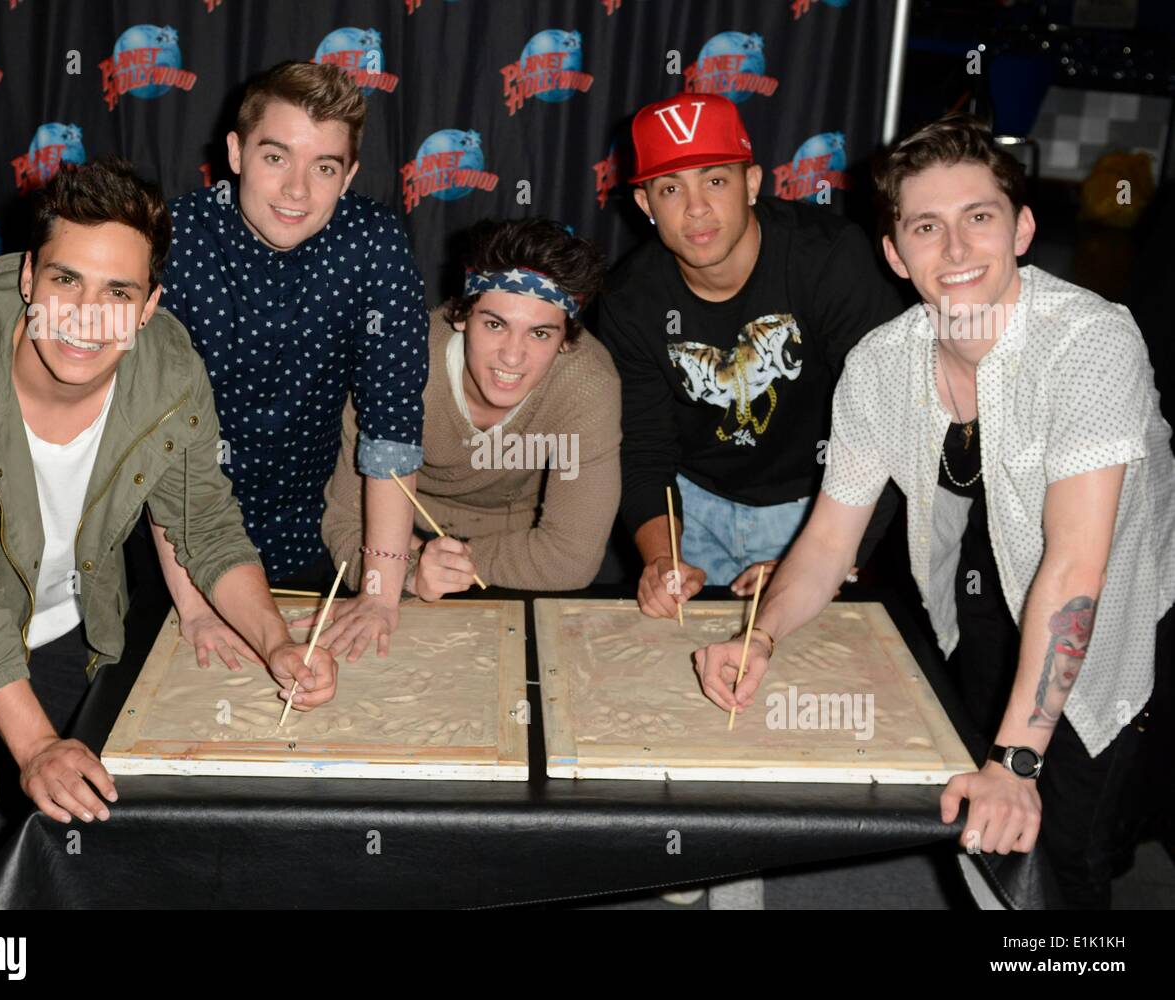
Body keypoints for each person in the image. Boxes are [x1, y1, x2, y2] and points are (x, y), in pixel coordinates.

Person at [692, 113, 1175, 908]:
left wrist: (1019, 763)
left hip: (1115, 596)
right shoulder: (879, 365)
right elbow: (825, 543)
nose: (954, 251)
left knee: (1066, 842)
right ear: (893, 252)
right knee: (978, 809)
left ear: (1021, 229)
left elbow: (1076, 566)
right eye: (925, 227)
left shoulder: (1091, 342)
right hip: (984, 575)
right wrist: (762, 637)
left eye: (977, 218)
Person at [0, 158, 335, 908]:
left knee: (74, 849)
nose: (86, 318)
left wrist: (276, 640)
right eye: (67, 282)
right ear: (30, 278)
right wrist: (33, 745)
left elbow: (207, 526)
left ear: (149, 303)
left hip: (70, 626)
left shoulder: (170, 370)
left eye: (117, 292)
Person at [156, 61, 427, 664]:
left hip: (314, 542)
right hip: (171, 543)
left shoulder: (375, 243)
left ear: (349, 174)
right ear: (235, 152)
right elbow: (157, 439)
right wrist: (195, 606)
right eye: (276, 157)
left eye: (324, 167)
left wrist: (381, 594)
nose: (297, 190)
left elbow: (392, 426)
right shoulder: (172, 240)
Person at [599, 92, 901, 621]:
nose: (696, 208)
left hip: (820, 506)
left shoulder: (831, 260)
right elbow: (644, 449)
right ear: (646, 205)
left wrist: (827, 561)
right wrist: (663, 560)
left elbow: (890, 425)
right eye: (671, 188)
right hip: (691, 509)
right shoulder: (630, 300)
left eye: (715, 180)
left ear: (753, 183)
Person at [321, 218, 618, 608]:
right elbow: (345, 525)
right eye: (495, 324)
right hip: (393, 547)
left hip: (515, 564)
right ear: (461, 316)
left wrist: (442, 563)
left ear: (566, 341)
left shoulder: (586, 384)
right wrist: (409, 569)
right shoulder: (400, 363)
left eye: (540, 333)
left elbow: (570, 559)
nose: (513, 355)